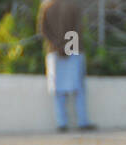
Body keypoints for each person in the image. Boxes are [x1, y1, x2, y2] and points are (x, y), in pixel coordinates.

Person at [37, 0, 93, 132]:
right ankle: (82, 122)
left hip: (54, 52)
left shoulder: (46, 6)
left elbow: (43, 30)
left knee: (58, 89)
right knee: (78, 88)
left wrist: (58, 46)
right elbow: (77, 29)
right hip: (73, 51)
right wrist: (67, 47)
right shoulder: (73, 4)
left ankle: (61, 123)